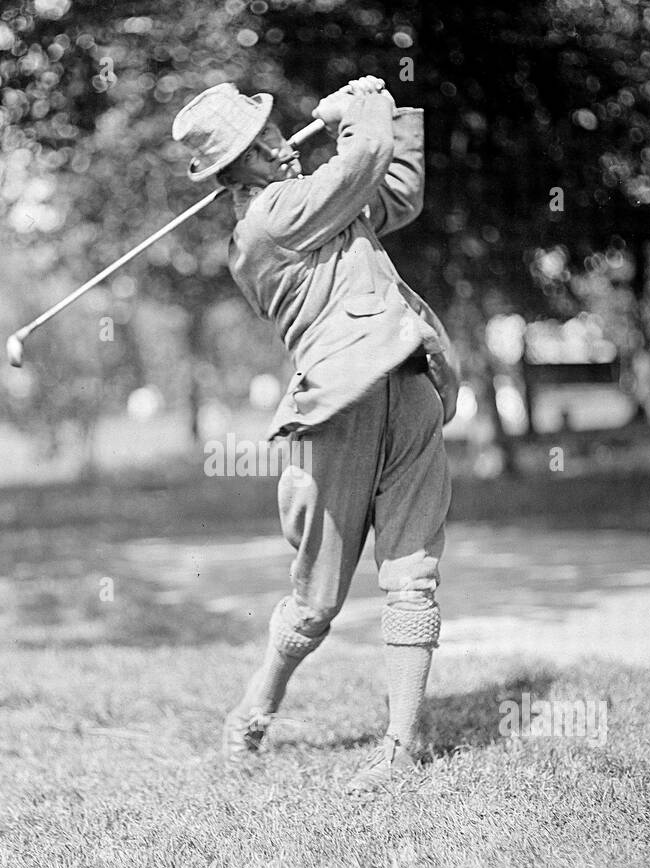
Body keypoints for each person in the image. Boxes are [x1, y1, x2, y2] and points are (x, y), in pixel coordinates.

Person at [171, 77, 459, 793]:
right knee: (317, 597)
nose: (280, 145)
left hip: (410, 382)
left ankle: (401, 744)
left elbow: (396, 191)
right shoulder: (268, 223)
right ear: (234, 172)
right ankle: (257, 706)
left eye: (273, 131)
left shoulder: (319, 208)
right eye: (260, 144)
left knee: (414, 571)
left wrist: (389, 109)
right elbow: (360, 163)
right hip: (339, 407)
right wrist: (351, 115)